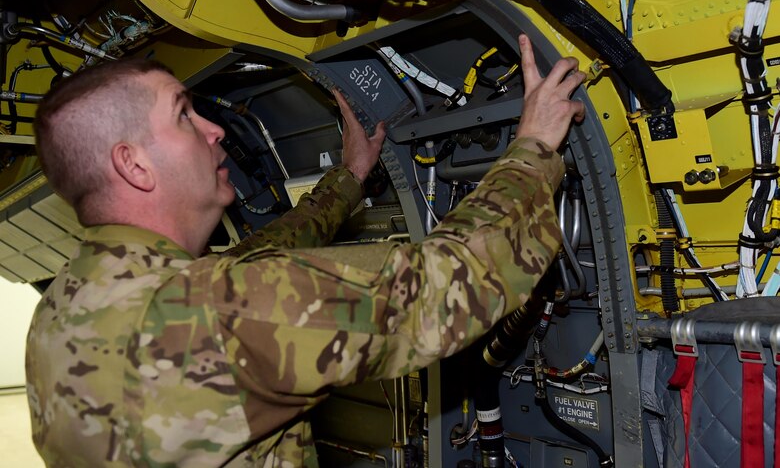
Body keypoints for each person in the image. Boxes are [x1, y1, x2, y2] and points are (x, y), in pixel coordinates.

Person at [26, 33, 585, 467]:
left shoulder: (64, 312)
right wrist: (534, 146)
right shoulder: (214, 311)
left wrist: (350, 178)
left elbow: (251, 260)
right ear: (133, 164)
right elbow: (450, 284)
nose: (214, 130)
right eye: (182, 114)